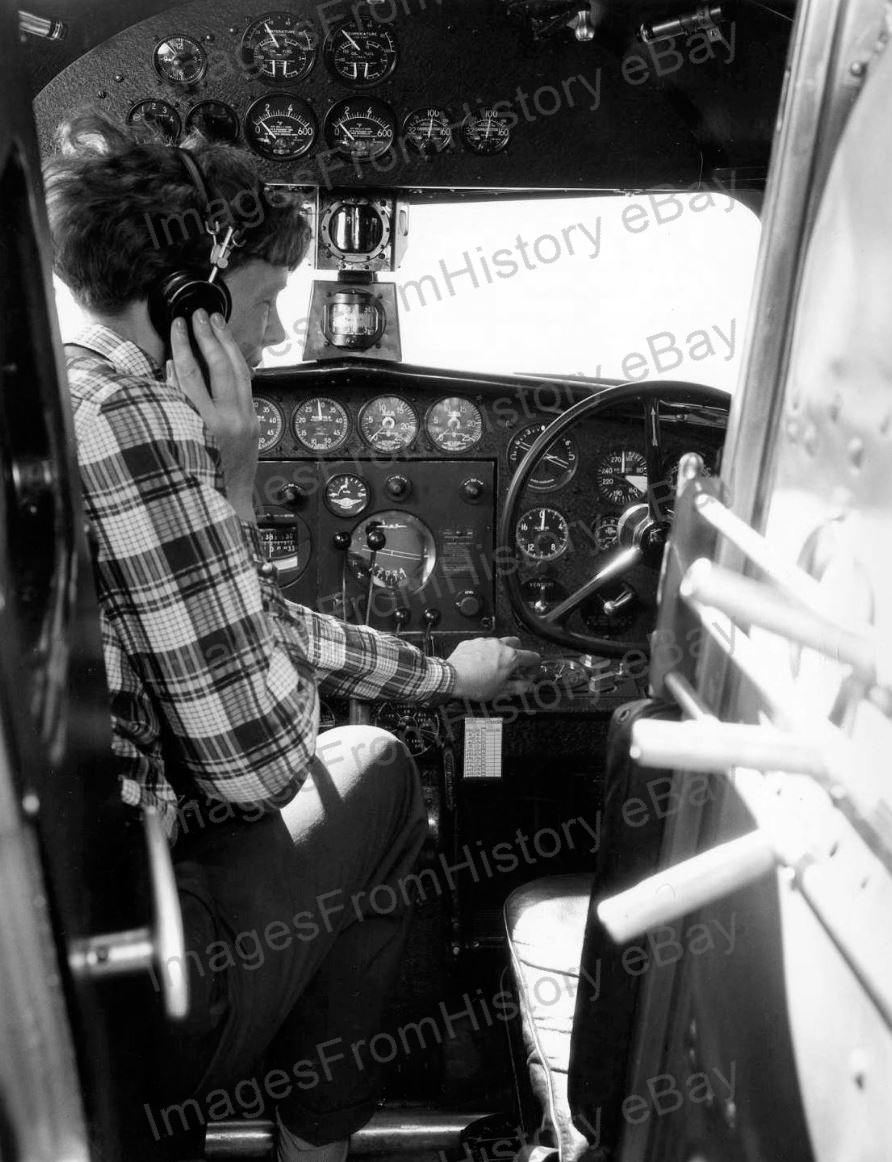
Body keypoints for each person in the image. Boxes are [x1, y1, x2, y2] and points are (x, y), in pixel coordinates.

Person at [44, 111, 539, 1162]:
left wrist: (440, 670)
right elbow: (255, 763)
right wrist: (232, 481)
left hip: (61, 918)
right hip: (128, 971)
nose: (271, 340)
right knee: (379, 768)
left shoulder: (55, 395)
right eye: (265, 303)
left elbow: (240, 619)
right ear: (189, 298)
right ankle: (317, 1140)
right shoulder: (133, 421)